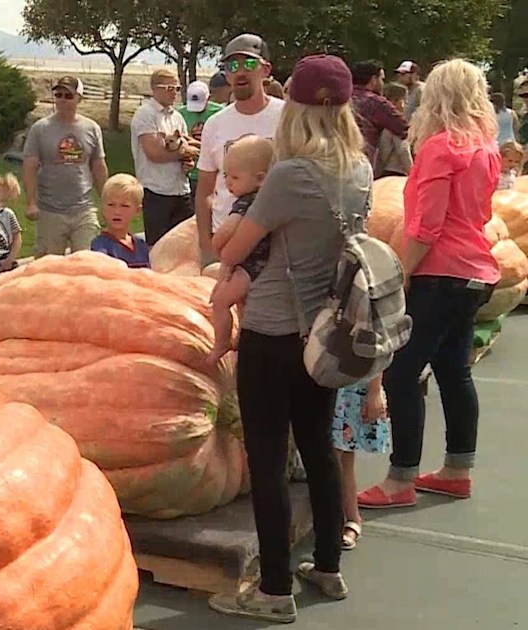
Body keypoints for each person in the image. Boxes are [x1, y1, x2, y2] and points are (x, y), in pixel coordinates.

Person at [207, 54, 371, 622]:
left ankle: (274, 590)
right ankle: (327, 565)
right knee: (319, 447)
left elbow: (230, 250)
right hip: (324, 333)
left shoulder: (289, 174)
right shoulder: (359, 170)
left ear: (295, 106)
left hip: (273, 331)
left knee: (269, 457)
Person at [358, 59, 502, 509]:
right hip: (477, 273)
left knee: (402, 372)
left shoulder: (442, 148)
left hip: (440, 274)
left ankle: (400, 480)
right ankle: (458, 470)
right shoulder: (486, 148)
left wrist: (397, 276)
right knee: (454, 370)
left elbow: (427, 226)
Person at [194, 33, 285, 266]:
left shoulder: (287, 118)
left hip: (279, 241)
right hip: (227, 241)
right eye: (233, 65)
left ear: (265, 70)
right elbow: (205, 190)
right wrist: (207, 245)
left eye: (250, 63)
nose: (241, 71)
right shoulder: (215, 124)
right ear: (226, 74)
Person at [206, 135, 274, 365]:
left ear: (260, 179)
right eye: (225, 176)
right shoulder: (268, 197)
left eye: (234, 177)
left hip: (253, 264)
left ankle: (221, 343)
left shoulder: (247, 201)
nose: (228, 182)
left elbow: (229, 229)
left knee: (221, 301)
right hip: (256, 262)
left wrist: (216, 243)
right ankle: (243, 337)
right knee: (242, 303)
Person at [22, 76, 108, 255]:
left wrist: (107, 201)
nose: (62, 99)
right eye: (58, 95)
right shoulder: (40, 128)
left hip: (84, 208)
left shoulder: (91, 128)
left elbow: (98, 165)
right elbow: (30, 165)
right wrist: (30, 202)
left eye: (68, 96)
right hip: (50, 210)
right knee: (50, 268)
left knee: (87, 262)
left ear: (79, 99)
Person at [131, 68, 200, 245]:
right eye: (170, 88)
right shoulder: (145, 114)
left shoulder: (177, 117)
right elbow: (154, 153)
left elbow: (187, 146)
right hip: (157, 191)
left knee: (184, 246)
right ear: (155, 89)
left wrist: (188, 162)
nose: (174, 93)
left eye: (177, 89)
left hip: (181, 189)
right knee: (158, 247)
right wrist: (185, 152)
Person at [333, 373, 390, 550]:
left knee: (341, 454)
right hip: (321, 374)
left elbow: (376, 349)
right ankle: (345, 517)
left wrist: (374, 390)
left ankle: (350, 517)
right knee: (335, 455)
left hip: (348, 381)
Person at [350, 60, 409, 168]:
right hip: (361, 163)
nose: (383, 83)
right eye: (381, 79)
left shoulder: (340, 100)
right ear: (373, 80)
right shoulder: (375, 103)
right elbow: (402, 127)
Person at [178, 80, 225, 209]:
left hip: (211, 173)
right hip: (187, 174)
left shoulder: (220, 113)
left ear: (208, 98)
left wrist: (196, 144)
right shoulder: (179, 113)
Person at [90, 174, 151, 269]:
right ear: (103, 208)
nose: (117, 211)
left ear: (137, 210)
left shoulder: (140, 244)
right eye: (111, 205)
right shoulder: (101, 245)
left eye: (125, 206)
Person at [374, 83, 414, 178]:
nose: (406, 104)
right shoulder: (396, 125)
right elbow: (403, 150)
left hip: (383, 171)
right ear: (394, 101)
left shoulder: (383, 122)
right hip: (396, 171)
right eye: (404, 100)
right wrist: (412, 173)